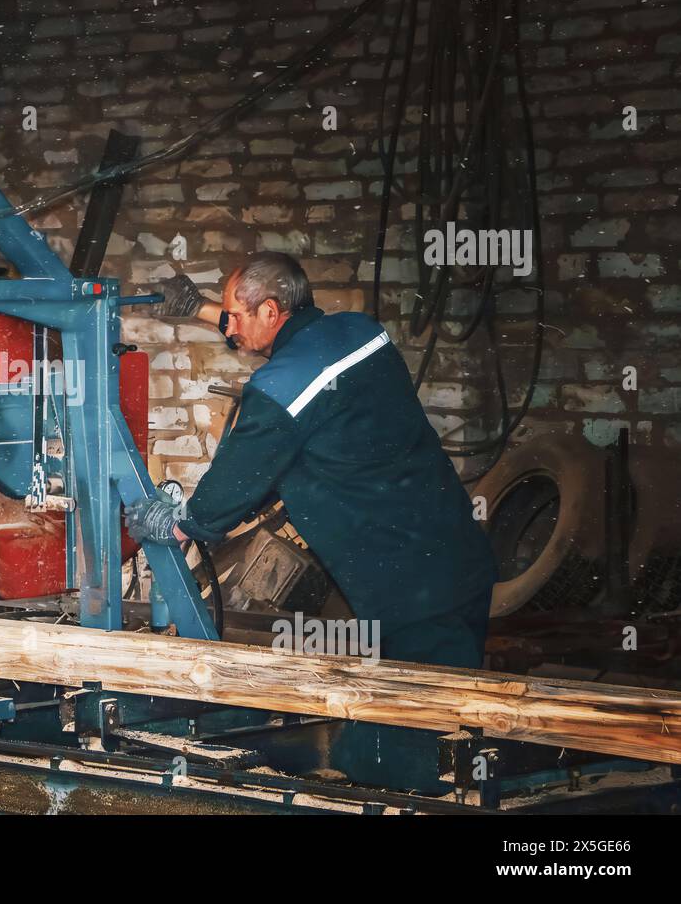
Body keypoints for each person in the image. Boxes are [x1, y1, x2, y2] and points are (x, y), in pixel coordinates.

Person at [127, 253, 498, 793]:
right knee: (460, 718)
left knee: (406, 759)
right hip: (456, 558)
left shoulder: (281, 390)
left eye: (235, 313)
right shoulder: (360, 332)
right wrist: (204, 310)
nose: (229, 326)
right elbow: (276, 339)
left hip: (412, 593)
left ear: (271, 309)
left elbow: (227, 494)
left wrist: (178, 523)